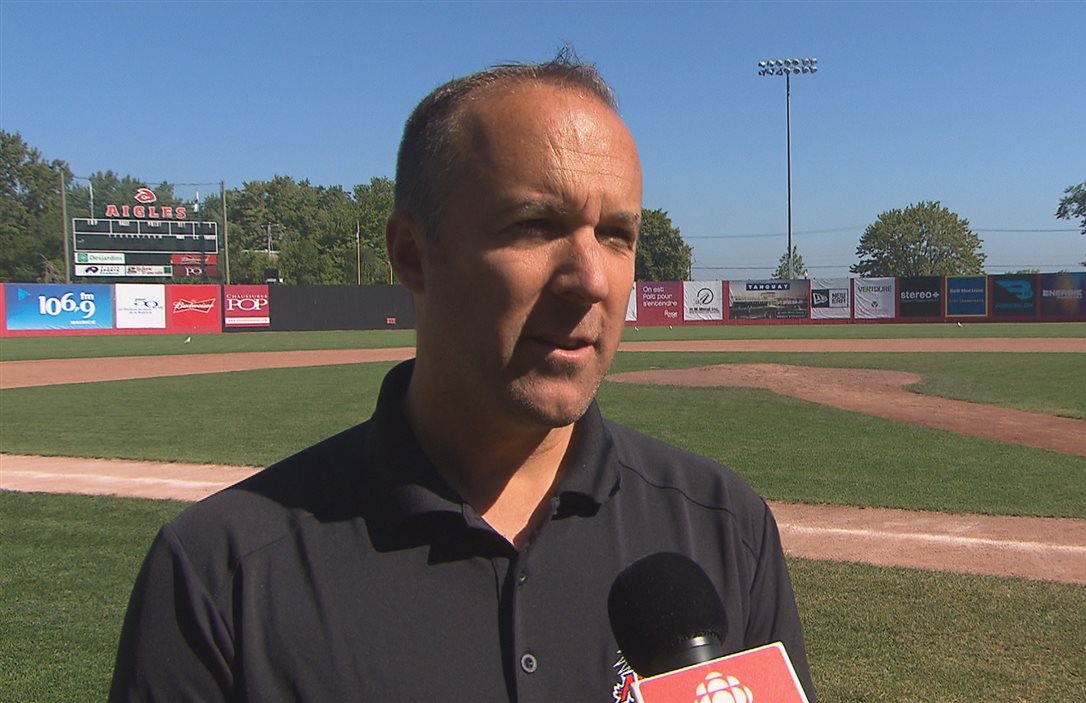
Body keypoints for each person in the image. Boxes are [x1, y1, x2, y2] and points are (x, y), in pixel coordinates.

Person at [110, 52, 814, 702]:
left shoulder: (724, 528)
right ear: (413, 255)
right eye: (537, 224)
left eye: (617, 235)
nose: (591, 278)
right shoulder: (220, 575)